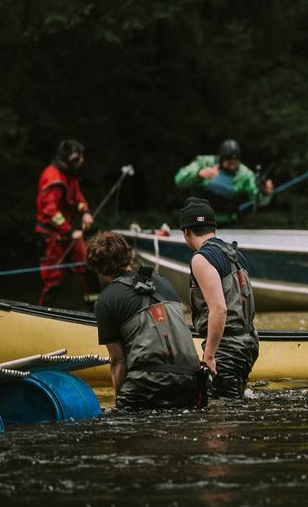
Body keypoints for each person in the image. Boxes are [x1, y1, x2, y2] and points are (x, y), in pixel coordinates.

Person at [87, 231, 206, 410]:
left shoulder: (105, 301)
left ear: (98, 269)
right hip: (192, 382)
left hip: (148, 386)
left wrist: (122, 406)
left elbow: (118, 361)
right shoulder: (161, 281)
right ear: (128, 255)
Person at [178, 197, 260, 399]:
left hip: (227, 349)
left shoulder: (201, 258)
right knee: (233, 411)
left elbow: (219, 309)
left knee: (219, 420)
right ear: (213, 227)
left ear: (186, 232)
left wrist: (209, 356)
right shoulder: (235, 255)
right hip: (248, 344)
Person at [34, 139, 98, 307]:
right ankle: (43, 317)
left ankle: (95, 312)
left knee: (89, 267)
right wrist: (70, 231)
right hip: (52, 237)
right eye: (79, 158)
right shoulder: (53, 178)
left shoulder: (70, 175)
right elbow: (51, 212)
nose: (82, 161)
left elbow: (77, 198)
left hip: (68, 233)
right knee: (55, 280)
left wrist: (85, 213)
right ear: (69, 159)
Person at [174, 139, 274, 224]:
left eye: (235, 163)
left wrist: (265, 193)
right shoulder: (205, 162)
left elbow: (258, 199)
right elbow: (179, 179)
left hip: (228, 223)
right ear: (222, 159)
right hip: (200, 220)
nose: (233, 166)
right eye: (229, 163)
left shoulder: (245, 174)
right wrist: (198, 173)